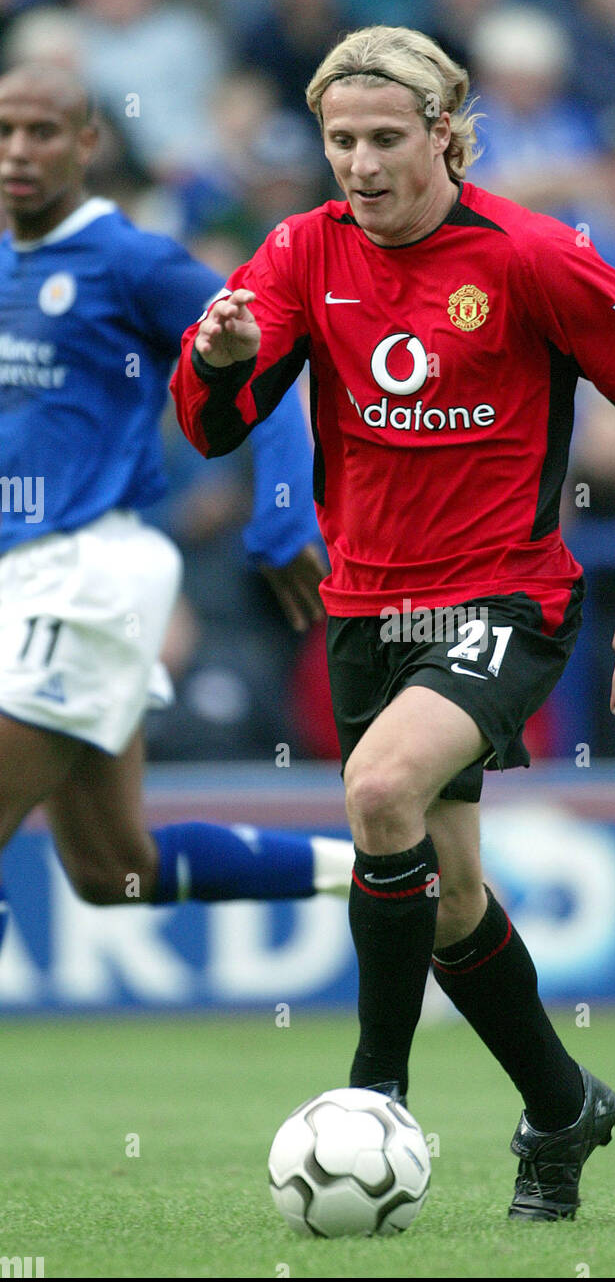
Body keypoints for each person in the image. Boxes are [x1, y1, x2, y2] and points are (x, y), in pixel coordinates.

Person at [172, 26, 615, 1221]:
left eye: (384, 138)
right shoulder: (298, 251)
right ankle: (561, 1103)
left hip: (501, 596)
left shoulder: (531, 254)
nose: (359, 165)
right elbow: (213, 422)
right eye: (338, 141)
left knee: (379, 793)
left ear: (443, 133)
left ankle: (375, 1093)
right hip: (365, 603)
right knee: (451, 894)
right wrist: (216, 362)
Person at [0, 63, 353, 963]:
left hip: (84, 571)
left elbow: (266, 362)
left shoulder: (131, 261)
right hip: (18, 579)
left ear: (87, 143)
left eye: (42, 131)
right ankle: (385, 869)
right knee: (115, 869)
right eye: (4, 131)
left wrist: (280, 517)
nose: (17, 151)